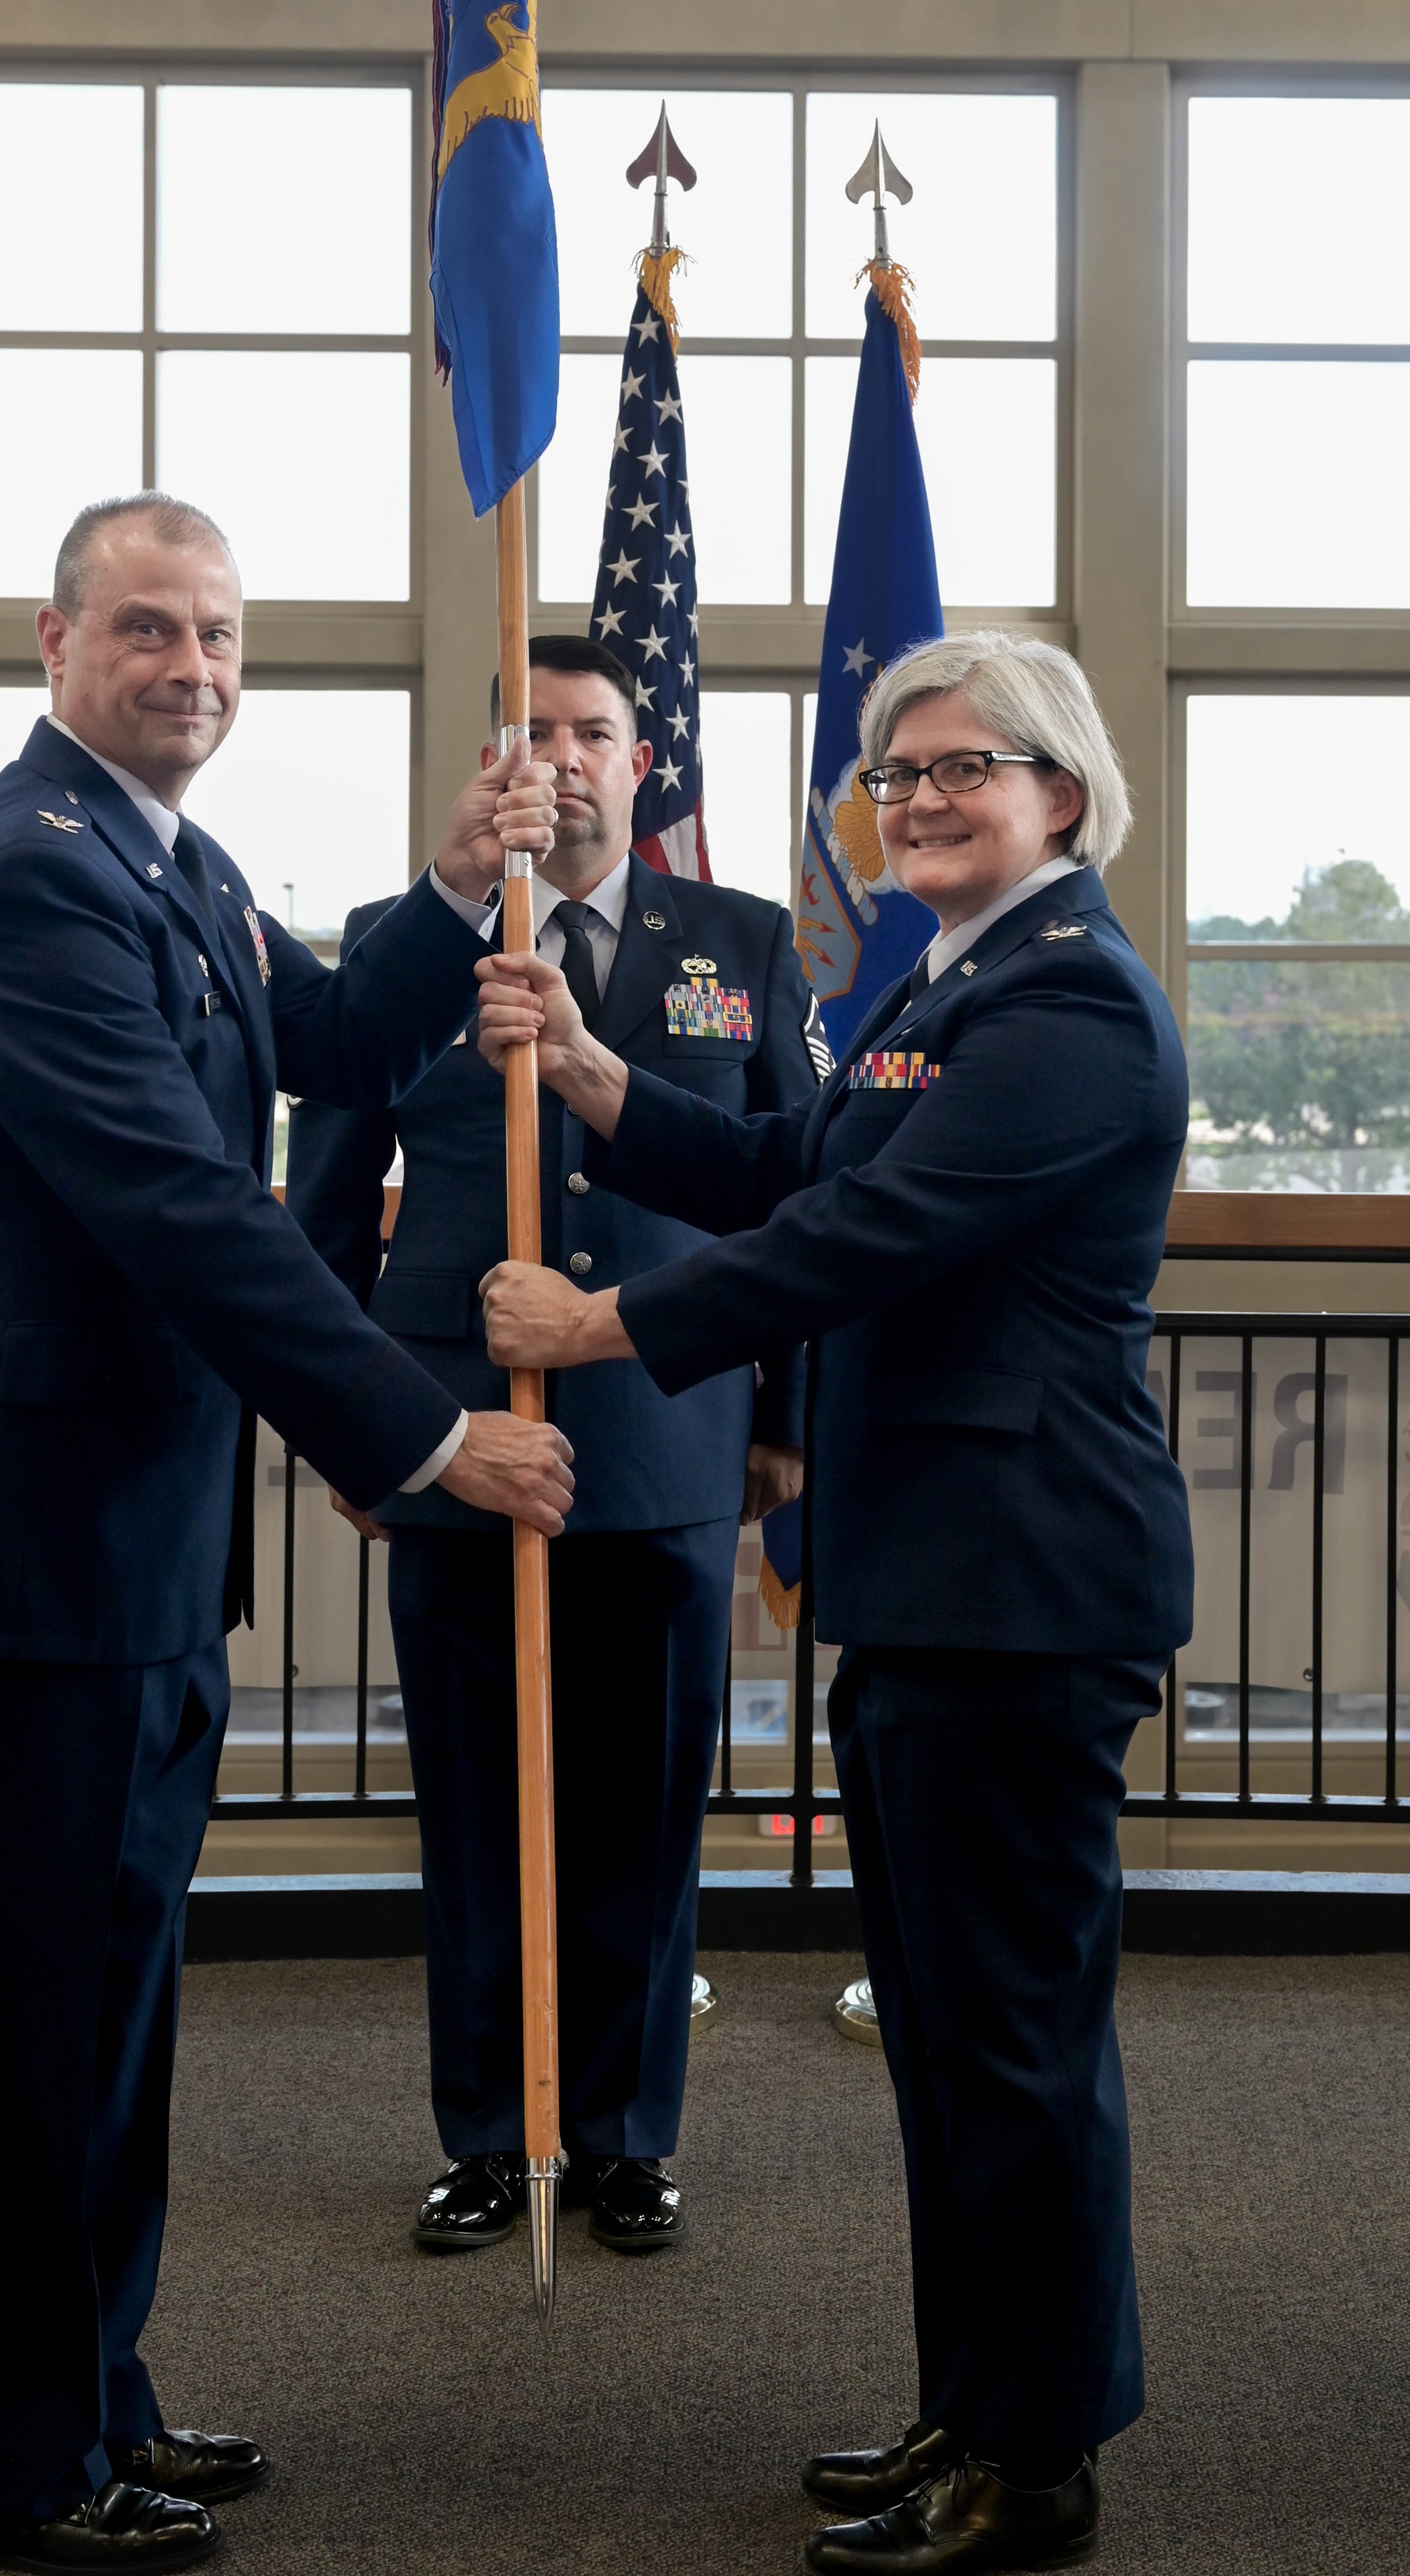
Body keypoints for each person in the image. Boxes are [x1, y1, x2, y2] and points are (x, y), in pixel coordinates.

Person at [0, 492, 574, 2574]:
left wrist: (453, 886)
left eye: (222, 638)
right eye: (151, 631)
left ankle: (96, 2397)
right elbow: (189, 1209)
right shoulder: (23, 888)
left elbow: (336, 1043)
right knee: (21, 2032)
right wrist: (427, 1434)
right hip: (34, 1557)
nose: (194, 669)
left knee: (109, 2004)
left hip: (139, 1550)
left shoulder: (173, 863)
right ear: (57, 641)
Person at [474, 631, 1192, 2576]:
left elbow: (864, 1238)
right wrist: (602, 1070)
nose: (925, 800)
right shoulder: (938, 990)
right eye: (898, 776)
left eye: (969, 767)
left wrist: (601, 1320)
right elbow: (791, 1158)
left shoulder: (1072, 1011)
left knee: (1014, 2047)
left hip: (1022, 1589)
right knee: (957, 2039)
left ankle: (1034, 2465)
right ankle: (973, 2405)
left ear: (1062, 789)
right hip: (931, 1584)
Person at [286, 636, 827, 2256]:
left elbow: (797, 1201)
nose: (567, 758)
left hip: (667, 1440)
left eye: (595, 731)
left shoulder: (737, 944)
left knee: (645, 1813)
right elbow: (322, 1219)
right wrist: (358, 1427)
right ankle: (485, 2134)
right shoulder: (396, 950)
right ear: (489, 764)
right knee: (471, 1812)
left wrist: (784, 1424)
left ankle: (621, 2135)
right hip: (453, 1437)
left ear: (641, 763)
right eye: (532, 730)